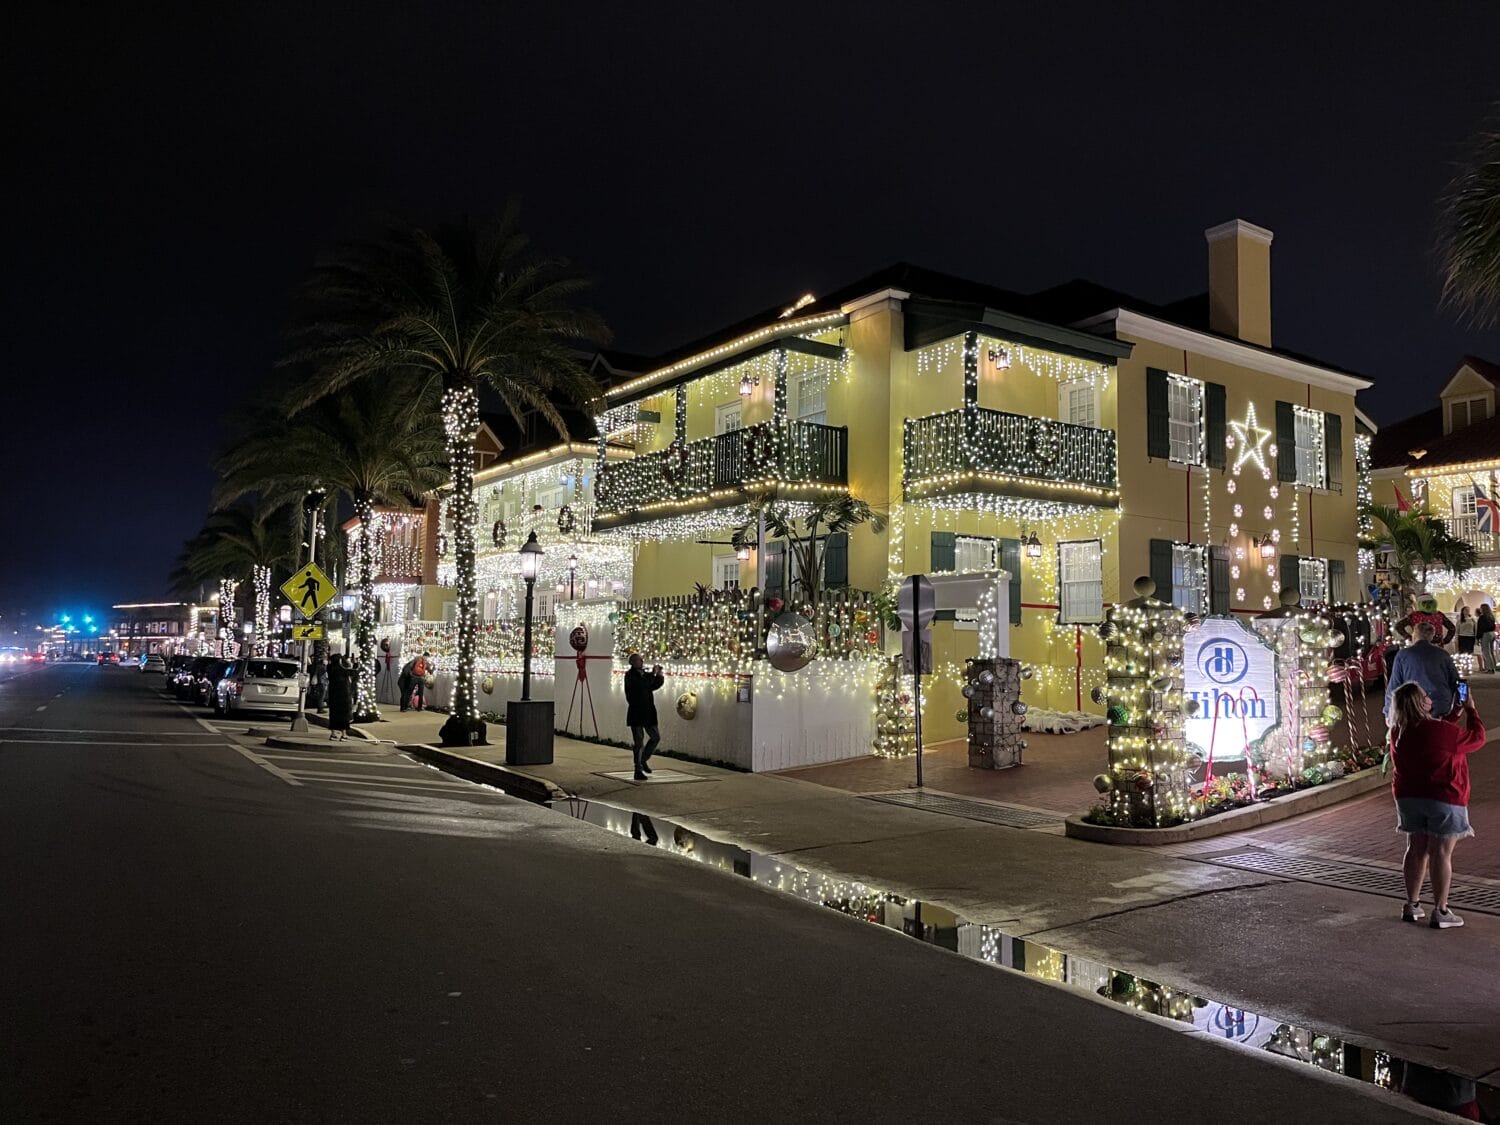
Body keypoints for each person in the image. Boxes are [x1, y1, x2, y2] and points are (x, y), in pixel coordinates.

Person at [1387, 680, 1484, 929]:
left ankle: (1412, 903)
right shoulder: (1439, 731)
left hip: (1408, 798)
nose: (1429, 696)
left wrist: (1454, 713)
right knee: (1441, 851)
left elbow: (1434, 734)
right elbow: (1476, 738)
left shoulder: (1399, 730)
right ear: (1420, 702)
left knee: (1416, 847)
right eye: (1424, 694)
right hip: (1443, 796)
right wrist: (1471, 709)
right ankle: (1441, 910)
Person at [1385, 621, 1460, 722]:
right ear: (1431, 636)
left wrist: (1388, 711)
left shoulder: (1403, 655)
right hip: (1441, 705)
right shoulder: (1443, 654)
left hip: (1414, 705)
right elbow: (1455, 681)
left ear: (1415, 635)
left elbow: (1395, 685)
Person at [623, 652, 664, 781]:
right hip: (637, 713)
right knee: (639, 742)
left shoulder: (644, 675)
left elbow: (653, 685)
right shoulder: (630, 676)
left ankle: (643, 759)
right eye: (639, 660)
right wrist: (653, 673)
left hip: (648, 712)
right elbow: (643, 685)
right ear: (633, 662)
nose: (642, 662)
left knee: (655, 737)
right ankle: (638, 769)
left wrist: (659, 675)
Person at [326, 654, 352, 741]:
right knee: (344, 715)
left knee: (333, 714)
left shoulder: (330, 669)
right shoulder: (343, 670)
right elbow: (351, 670)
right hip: (343, 695)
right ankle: (343, 734)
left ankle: (333, 733)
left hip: (333, 694)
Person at [1477, 604, 1496, 673]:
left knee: (1486, 652)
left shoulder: (1482, 617)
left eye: (1481, 608)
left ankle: (1490, 668)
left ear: (1483, 609)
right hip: (1492, 633)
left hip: (1485, 634)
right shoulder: (1491, 616)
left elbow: (1480, 628)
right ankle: (1494, 667)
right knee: (1491, 651)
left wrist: (1478, 637)